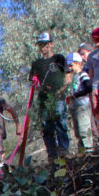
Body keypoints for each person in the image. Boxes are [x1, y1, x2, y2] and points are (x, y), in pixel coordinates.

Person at [28, 32, 69, 161]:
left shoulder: (59, 59)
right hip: (44, 99)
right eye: (40, 45)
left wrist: (61, 89)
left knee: (60, 123)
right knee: (46, 127)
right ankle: (52, 155)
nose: (43, 47)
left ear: (51, 44)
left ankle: (64, 151)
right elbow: (33, 82)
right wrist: (39, 88)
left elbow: (67, 77)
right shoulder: (36, 63)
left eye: (45, 44)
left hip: (58, 96)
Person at [65, 54, 93, 152]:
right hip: (75, 107)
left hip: (82, 106)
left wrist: (75, 96)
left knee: (84, 130)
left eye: (71, 65)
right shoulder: (75, 77)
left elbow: (88, 88)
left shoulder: (83, 75)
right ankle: (82, 152)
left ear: (78, 64)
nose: (70, 68)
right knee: (78, 133)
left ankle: (88, 151)